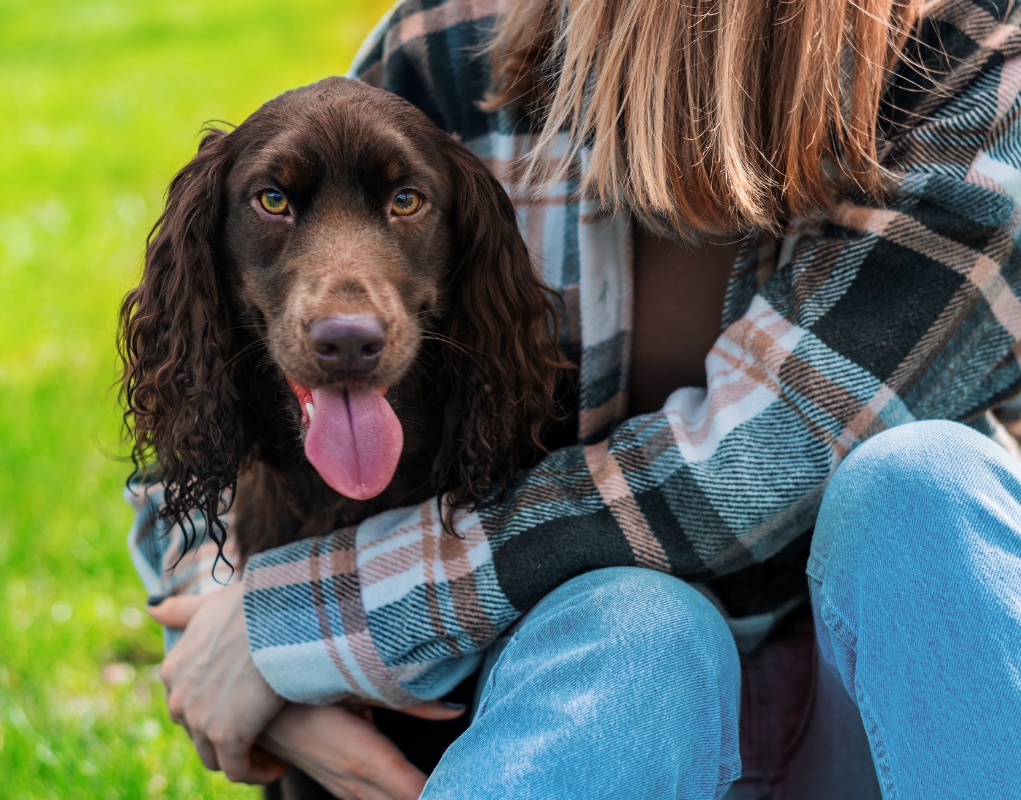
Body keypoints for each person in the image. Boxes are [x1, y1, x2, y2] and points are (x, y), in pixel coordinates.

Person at [129, 0, 1021, 797]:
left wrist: (294, 628)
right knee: (635, 620)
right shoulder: (450, 48)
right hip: (590, 719)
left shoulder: (981, 64)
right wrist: (227, 646)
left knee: (925, 484)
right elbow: (209, 391)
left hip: (881, 724)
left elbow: (746, 469)